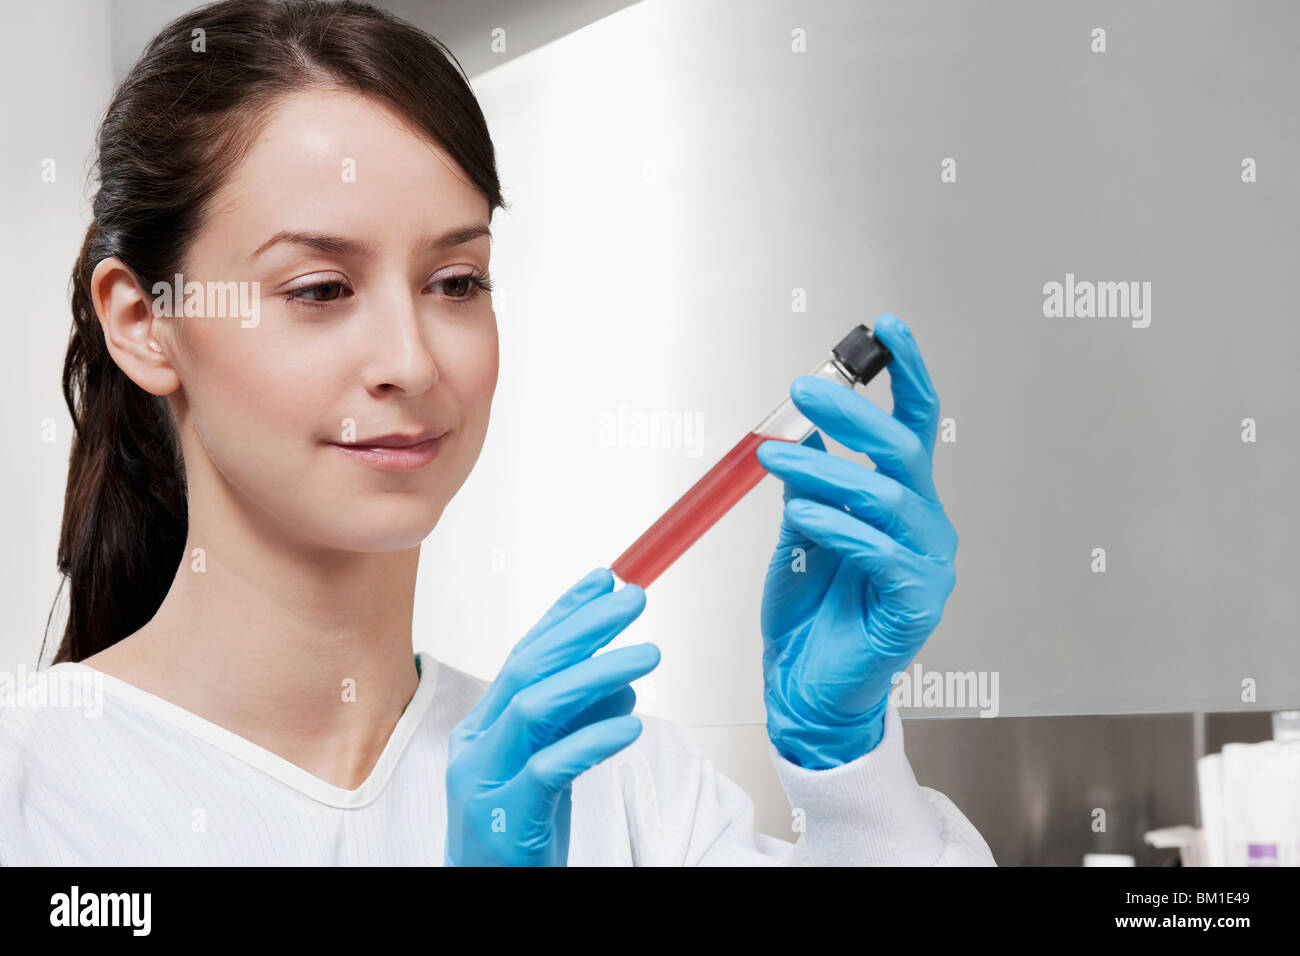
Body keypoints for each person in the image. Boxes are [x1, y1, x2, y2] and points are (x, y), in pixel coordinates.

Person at [0, 0, 994, 866]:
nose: (413, 359)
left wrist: (846, 769)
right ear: (142, 321)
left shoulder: (620, 779)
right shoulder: (32, 789)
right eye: (319, 288)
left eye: (454, 282)